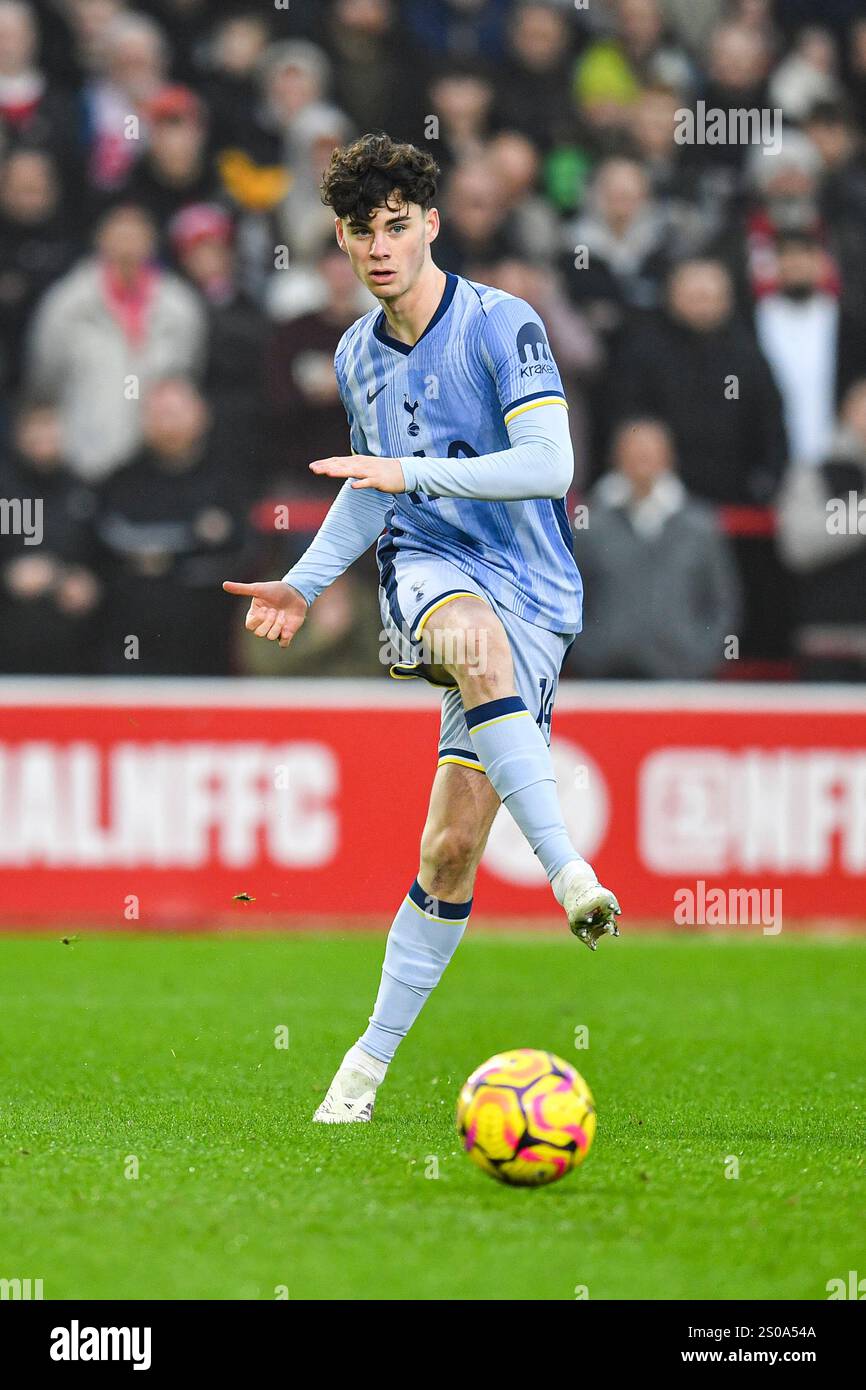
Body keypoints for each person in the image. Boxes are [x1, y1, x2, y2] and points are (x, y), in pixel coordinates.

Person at [223, 132, 621, 1124]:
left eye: (397, 226)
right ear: (342, 244)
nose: (379, 246)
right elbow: (369, 493)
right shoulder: (353, 354)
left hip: (535, 591)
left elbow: (546, 466)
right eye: (361, 231)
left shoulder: (502, 323)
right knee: (464, 636)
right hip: (430, 574)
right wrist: (306, 584)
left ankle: (362, 1064)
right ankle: (567, 867)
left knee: (446, 849)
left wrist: (407, 473)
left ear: (431, 225)